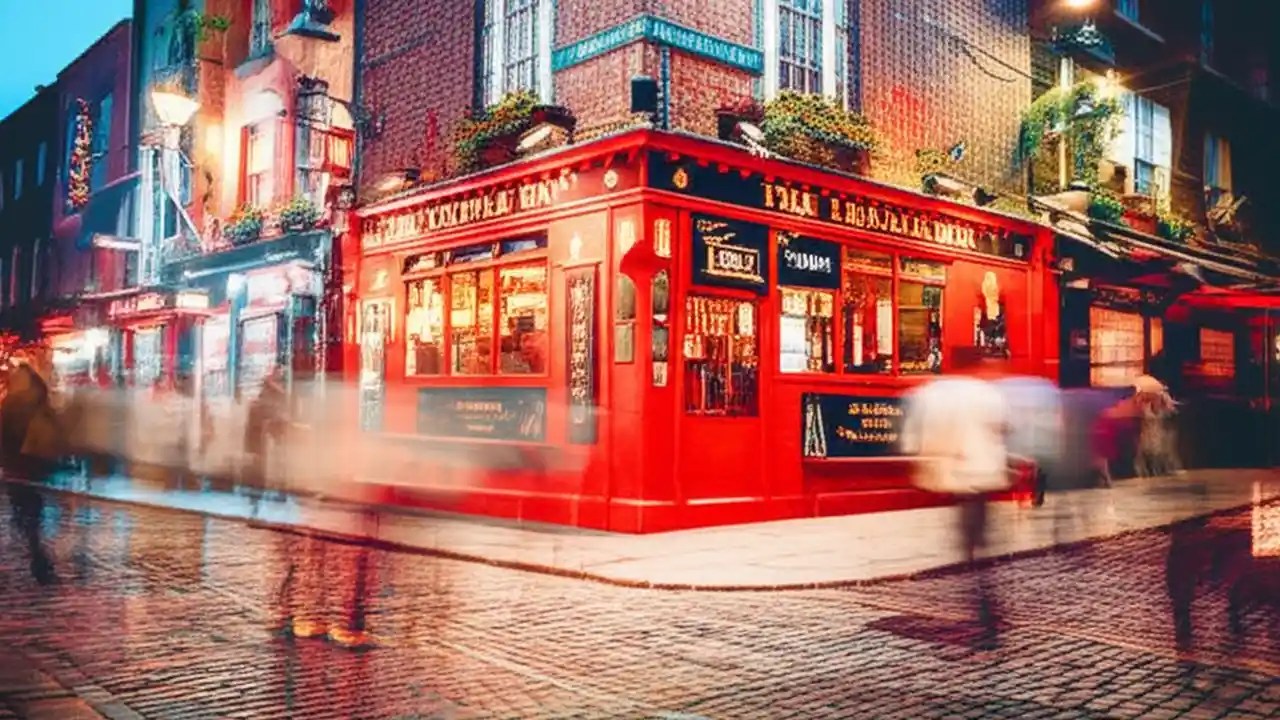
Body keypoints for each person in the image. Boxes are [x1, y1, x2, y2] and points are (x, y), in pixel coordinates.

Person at [901, 348, 1010, 648]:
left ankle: (983, 596)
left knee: (971, 540)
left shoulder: (933, 393)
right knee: (979, 538)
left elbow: (915, 434)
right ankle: (985, 597)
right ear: (976, 365)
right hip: (982, 473)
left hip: (954, 474)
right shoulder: (987, 394)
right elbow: (1003, 428)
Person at [2, 364, 62, 584]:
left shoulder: (16, 404)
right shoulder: (28, 404)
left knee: (29, 517)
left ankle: (39, 561)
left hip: (23, 466)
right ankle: (39, 562)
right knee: (30, 517)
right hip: (26, 466)